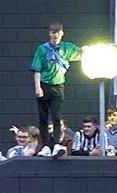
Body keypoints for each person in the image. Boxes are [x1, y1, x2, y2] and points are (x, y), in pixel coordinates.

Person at [31, 23, 83, 156]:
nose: (56, 35)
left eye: (58, 32)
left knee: (56, 117)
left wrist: (86, 49)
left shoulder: (67, 47)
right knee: (43, 117)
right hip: (44, 84)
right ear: (50, 33)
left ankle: (56, 144)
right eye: (53, 32)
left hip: (58, 85)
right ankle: (46, 146)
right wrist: (37, 87)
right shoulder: (42, 49)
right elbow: (37, 69)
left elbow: (80, 53)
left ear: (62, 33)